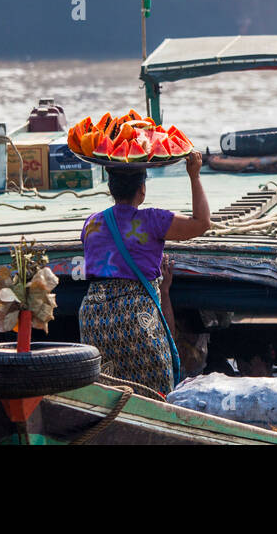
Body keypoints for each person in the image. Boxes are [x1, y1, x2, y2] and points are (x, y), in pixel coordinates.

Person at [77, 151, 210, 395]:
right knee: (154, 395)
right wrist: (194, 175)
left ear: (110, 188)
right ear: (142, 190)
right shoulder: (152, 220)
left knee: (108, 396)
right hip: (135, 317)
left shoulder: (91, 223)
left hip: (93, 319)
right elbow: (202, 223)